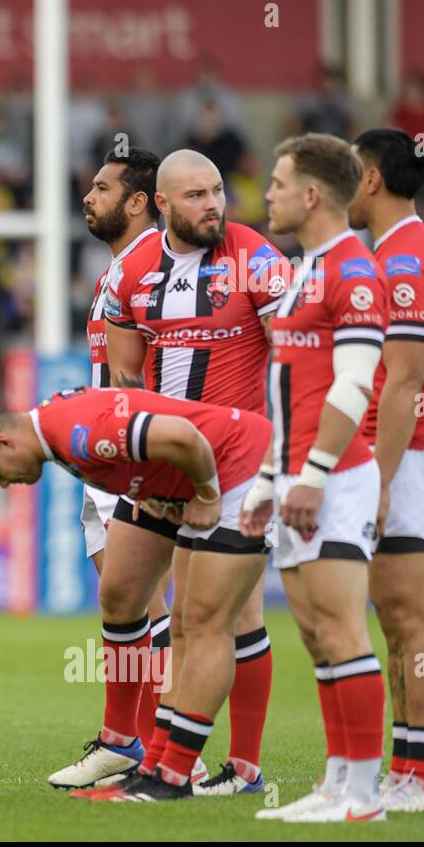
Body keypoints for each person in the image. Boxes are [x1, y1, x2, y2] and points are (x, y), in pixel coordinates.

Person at [0, 383, 272, 803]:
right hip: (193, 478)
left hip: (239, 469)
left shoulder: (76, 434)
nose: (4, 483)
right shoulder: (56, 435)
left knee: (203, 624)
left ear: (4, 441)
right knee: (137, 603)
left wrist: (208, 494)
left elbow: (182, 437)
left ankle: (174, 776)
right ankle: (149, 760)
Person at [97, 150, 286, 796]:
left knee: (228, 616)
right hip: (161, 467)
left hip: (236, 466)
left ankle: (243, 766)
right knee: (121, 594)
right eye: (197, 196)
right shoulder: (133, 272)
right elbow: (126, 379)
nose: (213, 205)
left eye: (217, 192)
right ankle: (133, 744)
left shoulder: (257, 258)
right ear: (162, 205)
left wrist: (278, 464)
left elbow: (291, 363)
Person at [244, 133, 387, 823]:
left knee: (342, 630)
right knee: (315, 635)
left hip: (334, 478)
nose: (266, 195)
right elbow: (289, 388)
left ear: (310, 194)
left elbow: (356, 384)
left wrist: (315, 473)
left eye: (276, 183)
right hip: (298, 476)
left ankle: (362, 797)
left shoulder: (354, 271)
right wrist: (271, 479)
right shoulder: (307, 267)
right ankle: (336, 783)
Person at [46, 149, 172, 789]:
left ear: (138, 201)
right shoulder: (119, 266)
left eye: (101, 187)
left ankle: (162, 749)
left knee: (143, 607)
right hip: (105, 461)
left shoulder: (155, 264)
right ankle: (137, 746)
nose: (86, 195)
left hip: (135, 462)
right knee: (127, 608)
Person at [349, 128, 424, 813]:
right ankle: (407, 767)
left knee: (411, 617)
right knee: (395, 618)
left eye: (349, 172)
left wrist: (379, 481)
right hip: (404, 455)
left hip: (411, 457)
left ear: (371, 180)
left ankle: (423, 778)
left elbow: (406, 383)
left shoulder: (406, 261)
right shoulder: (402, 251)